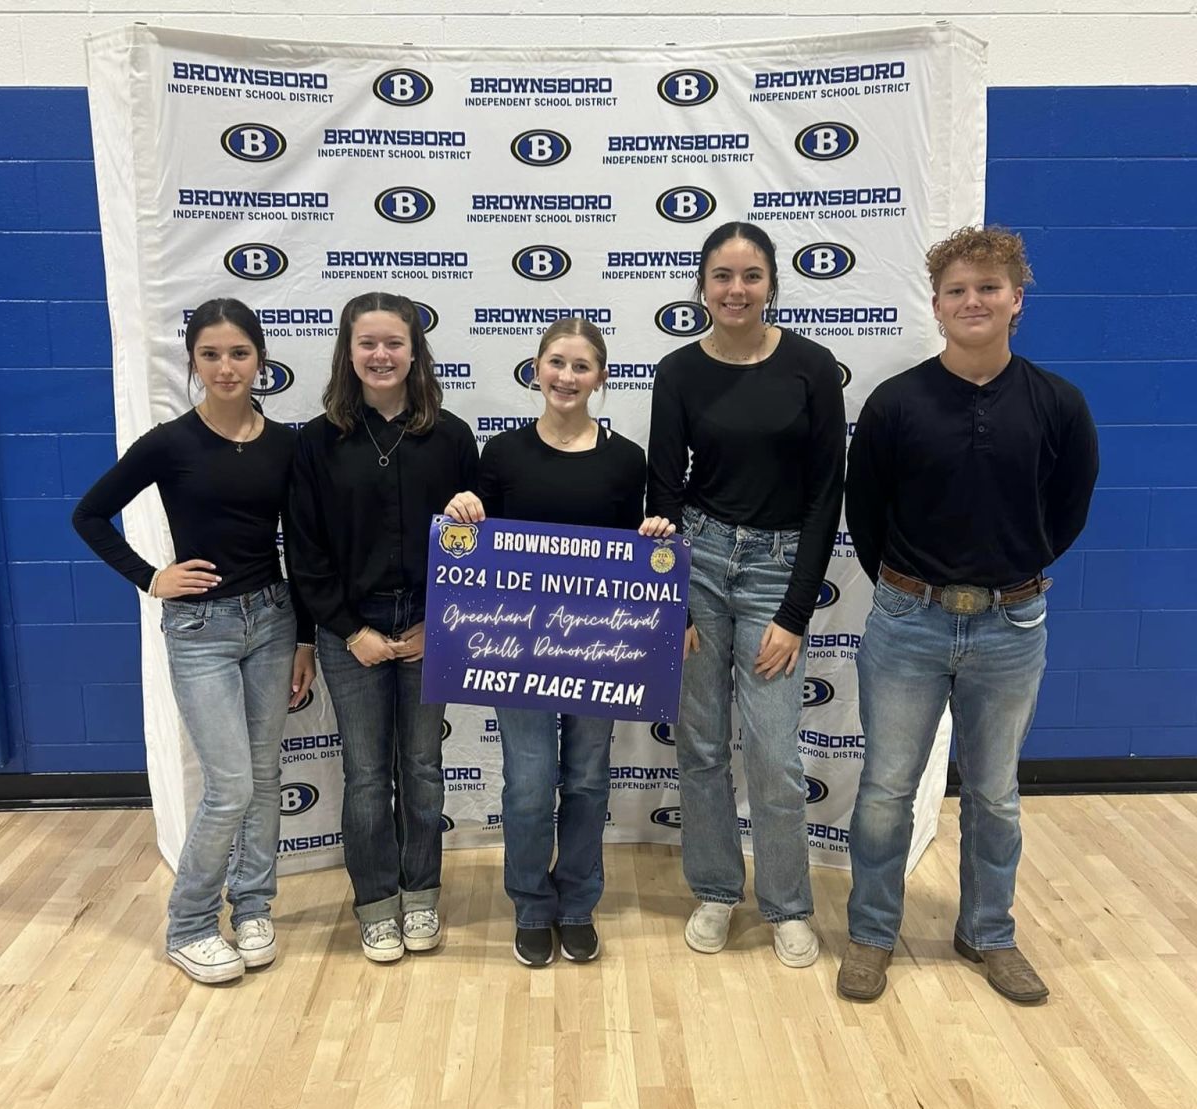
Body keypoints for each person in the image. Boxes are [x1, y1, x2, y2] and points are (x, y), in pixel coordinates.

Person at [838, 226, 1099, 1004]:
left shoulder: (1057, 403)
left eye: (988, 288)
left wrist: (1011, 573)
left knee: (994, 793)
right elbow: (866, 512)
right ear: (937, 305)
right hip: (906, 622)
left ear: (1017, 300)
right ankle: (872, 933)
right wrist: (912, 586)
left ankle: (988, 932)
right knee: (887, 789)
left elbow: (1070, 508)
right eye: (957, 290)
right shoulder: (897, 403)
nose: (972, 301)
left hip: (1011, 628)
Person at [72, 298, 316, 984]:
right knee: (231, 784)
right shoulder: (170, 442)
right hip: (200, 630)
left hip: (272, 621)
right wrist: (150, 576)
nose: (226, 366)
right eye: (211, 354)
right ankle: (188, 924)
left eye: (239, 353)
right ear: (193, 364)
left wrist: (301, 637)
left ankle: (255, 905)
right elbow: (89, 514)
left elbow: (300, 544)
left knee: (263, 776)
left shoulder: (286, 445)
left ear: (261, 361)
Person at [647, 221, 846, 967]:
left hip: (776, 567)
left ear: (771, 284)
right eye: (722, 276)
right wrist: (670, 601)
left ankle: (788, 904)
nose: (736, 290)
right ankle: (716, 891)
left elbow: (828, 494)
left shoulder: (812, 366)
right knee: (700, 744)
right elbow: (663, 488)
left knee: (772, 751)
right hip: (696, 564)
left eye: (751, 275)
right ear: (702, 284)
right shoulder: (678, 371)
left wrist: (795, 613)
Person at [445, 319, 673, 967]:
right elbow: (476, 545)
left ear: (601, 377)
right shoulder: (503, 455)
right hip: (518, 649)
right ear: (535, 369)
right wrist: (464, 511)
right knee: (528, 783)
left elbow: (642, 550)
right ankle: (529, 904)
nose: (567, 376)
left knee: (586, 781)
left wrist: (655, 535)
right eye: (556, 362)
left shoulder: (628, 460)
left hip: (599, 648)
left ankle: (577, 903)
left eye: (581, 366)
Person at [287, 292, 478, 963]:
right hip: (353, 636)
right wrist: (345, 630)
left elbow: (477, 548)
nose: (381, 355)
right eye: (367, 343)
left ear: (415, 351)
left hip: (430, 630)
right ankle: (376, 904)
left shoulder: (451, 436)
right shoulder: (317, 440)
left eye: (394, 343)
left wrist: (440, 623)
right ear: (348, 352)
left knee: (423, 769)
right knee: (367, 775)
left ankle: (421, 895)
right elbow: (305, 553)